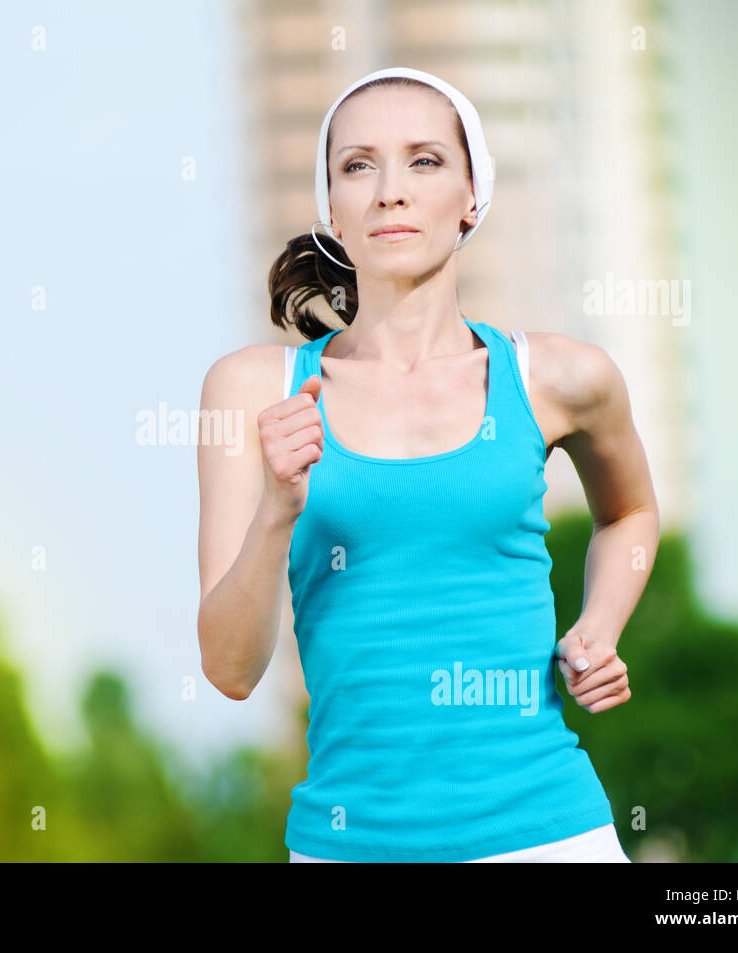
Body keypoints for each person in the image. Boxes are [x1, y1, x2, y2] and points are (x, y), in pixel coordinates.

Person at [196, 68, 659, 862]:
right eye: (357, 165)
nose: (389, 191)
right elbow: (230, 669)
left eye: (425, 160)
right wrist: (277, 508)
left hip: (547, 830)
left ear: (472, 197)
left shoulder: (558, 377)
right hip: (348, 841)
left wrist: (598, 625)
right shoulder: (253, 390)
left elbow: (630, 514)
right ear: (332, 210)